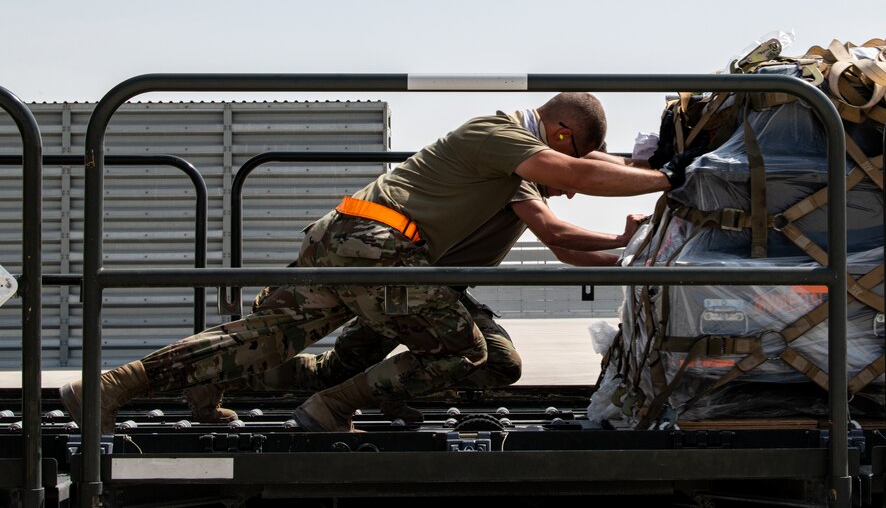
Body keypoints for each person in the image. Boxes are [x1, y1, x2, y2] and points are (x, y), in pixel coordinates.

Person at [61, 92, 688, 432]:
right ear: (559, 133)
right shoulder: (499, 136)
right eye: (573, 159)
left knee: (265, 339)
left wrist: (632, 220)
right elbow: (570, 180)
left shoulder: (507, 167)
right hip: (382, 252)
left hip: (351, 242)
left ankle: (110, 386)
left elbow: (565, 218)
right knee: (470, 354)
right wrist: (669, 180)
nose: (572, 185)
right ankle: (332, 406)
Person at [186, 179, 644, 424]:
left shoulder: (527, 193)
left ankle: (390, 390)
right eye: (570, 176)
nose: (569, 190)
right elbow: (561, 236)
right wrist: (625, 237)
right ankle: (218, 374)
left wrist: (632, 259)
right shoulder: (515, 181)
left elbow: (565, 252)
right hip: (405, 293)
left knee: (500, 362)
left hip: (440, 298)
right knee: (334, 371)